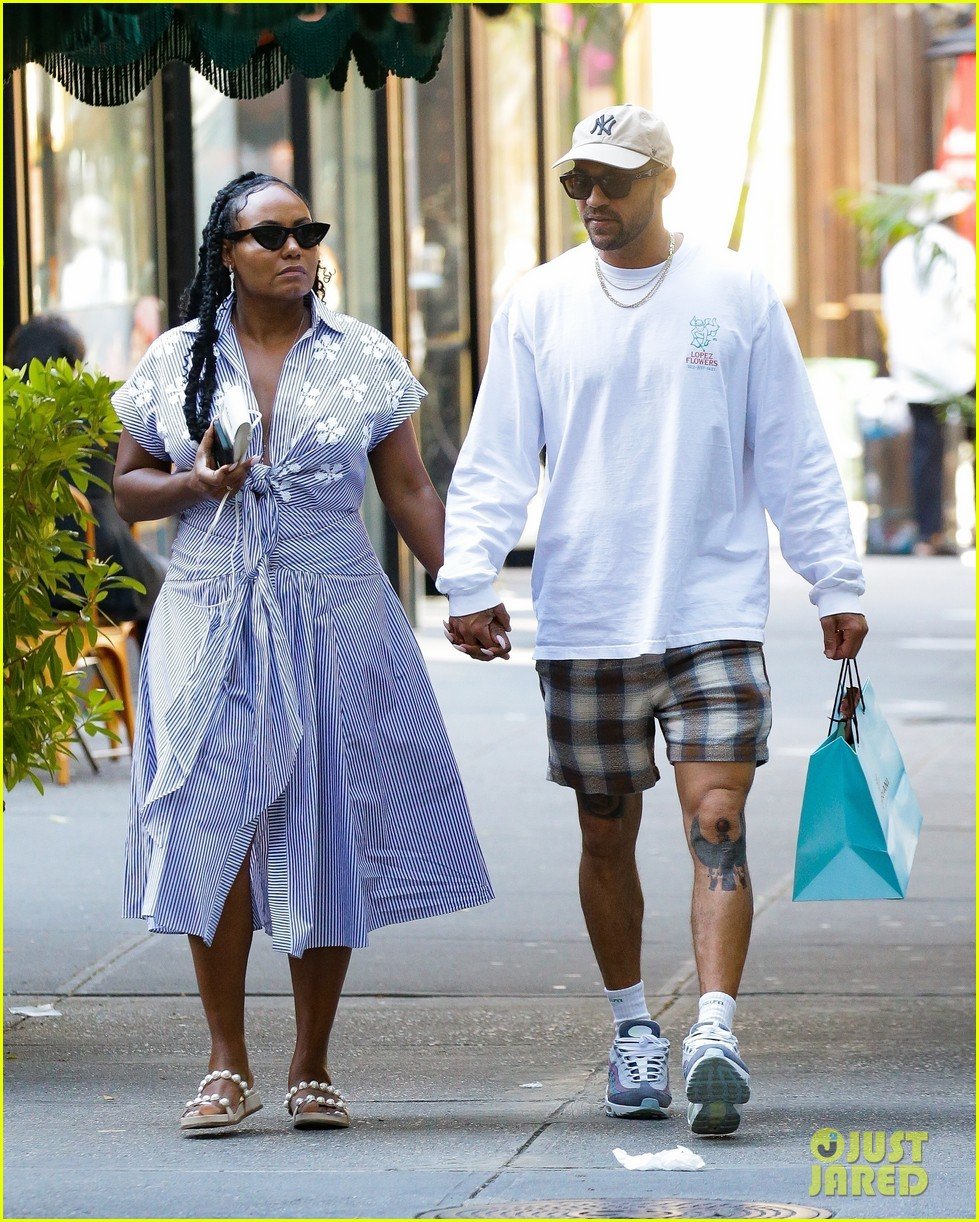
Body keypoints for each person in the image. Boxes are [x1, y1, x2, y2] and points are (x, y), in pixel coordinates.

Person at [439, 105, 868, 1136]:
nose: (593, 198)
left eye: (614, 181)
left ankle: (714, 1024)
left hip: (711, 608)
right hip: (586, 614)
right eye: (578, 182)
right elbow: (498, 452)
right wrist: (468, 576)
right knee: (604, 831)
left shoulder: (735, 292)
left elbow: (794, 447)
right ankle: (634, 1027)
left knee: (715, 820)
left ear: (664, 182)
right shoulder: (538, 302)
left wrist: (833, 578)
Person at [112, 171, 493, 1135]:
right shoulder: (176, 358)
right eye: (269, 236)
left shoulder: (362, 356)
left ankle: (313, 1061)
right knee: (214, 831)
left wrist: (465, 590)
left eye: (305, 232)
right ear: (226, 255)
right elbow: (127, 492)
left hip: (332, 610)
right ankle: (225, 1059)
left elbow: (407, 491)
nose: (293, 249)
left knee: (323, 829)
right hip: (207, 618)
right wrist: (194, 485)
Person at [4, 314, 165, 641]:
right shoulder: (94, 420)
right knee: (169, 581)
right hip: (99, 579)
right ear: (69, 366)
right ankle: (156, 685)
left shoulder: (11, 429)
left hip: (25, 591)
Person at [880, 170, 976, 555]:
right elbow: (967, 309)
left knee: (926, 449)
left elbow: (893, 314)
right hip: (959, 363)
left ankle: (928, 534)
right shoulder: (957, 251)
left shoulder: (899, 255)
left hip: (916, 366)